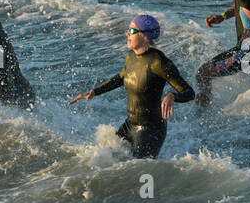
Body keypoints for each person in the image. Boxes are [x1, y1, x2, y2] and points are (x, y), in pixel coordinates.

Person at [69, 14, 194, 158]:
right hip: (130, 125)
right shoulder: (130, 56)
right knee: (103, 159)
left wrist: (172, 95)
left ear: (145, 36)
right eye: (128, 30)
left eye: (133, 31)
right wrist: (94, 92)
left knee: (140, 173)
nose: (127, 34)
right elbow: (121, 77)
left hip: (150, 130)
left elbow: (189, 92)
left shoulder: (159, 62)